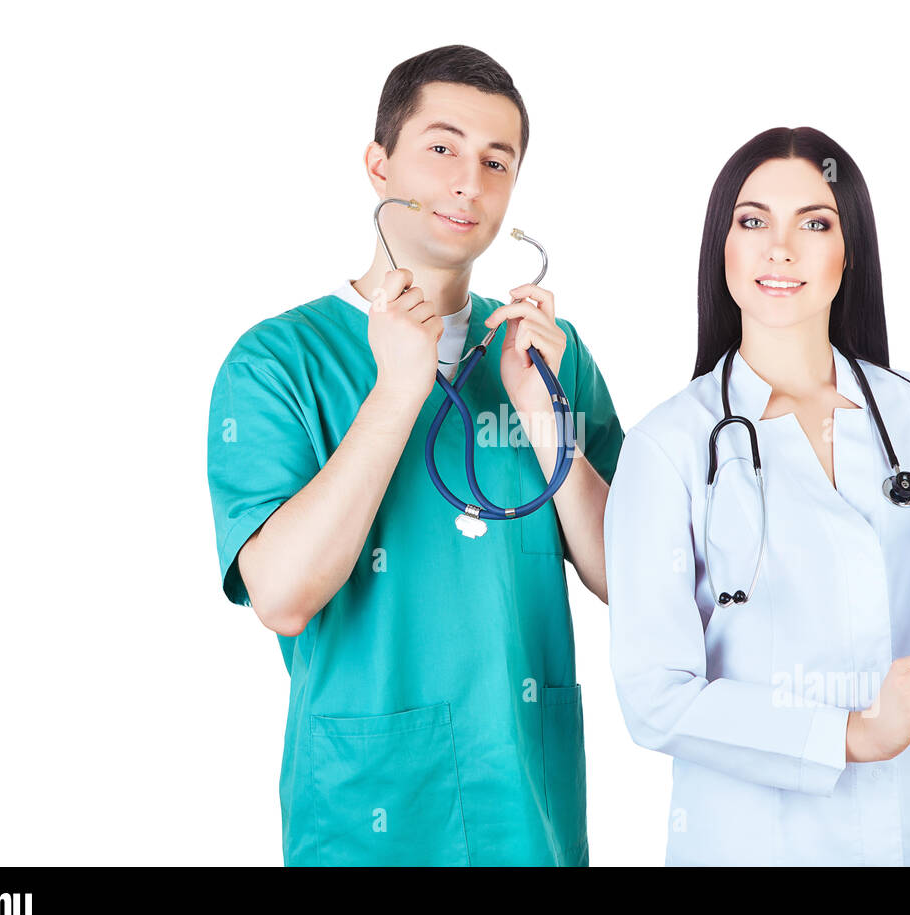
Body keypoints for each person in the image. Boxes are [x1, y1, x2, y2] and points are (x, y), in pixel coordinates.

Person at [206, 45, 624, 866]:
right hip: (367, 810)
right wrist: (398, 391)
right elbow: (282, 596)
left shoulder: (548, 356)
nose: (469, 180)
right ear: (377, 163)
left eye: (496, 161)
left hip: (529, 808)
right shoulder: (276, 361)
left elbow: (634, 579)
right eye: (442, 147)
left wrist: (547, 422)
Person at [603, 127, 910, 866]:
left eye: (816, 223)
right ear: (721, 247)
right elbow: (655, 697)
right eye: (753, 220)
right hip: (755, 840)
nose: (781, 249)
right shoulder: (667, 445)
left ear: (849, 249)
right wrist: (852, 733)